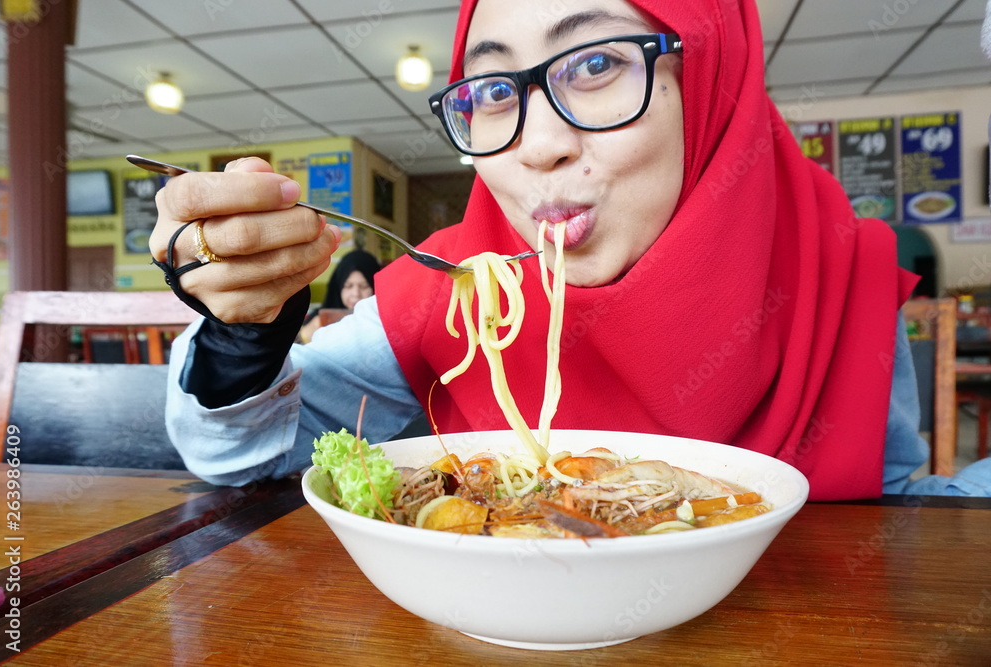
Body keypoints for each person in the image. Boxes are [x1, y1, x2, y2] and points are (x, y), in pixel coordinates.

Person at [149, 0, 990, 499]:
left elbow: (897, 511)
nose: (536, 144)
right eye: (490, 88)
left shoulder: (836, 272)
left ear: (710, 83)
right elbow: (239, 460)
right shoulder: (453, 283)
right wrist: (239, 337)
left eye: (594, 63)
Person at [299, 249, 380, 343]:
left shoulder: (381, 322)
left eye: (364, 286)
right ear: (338, 287)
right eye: (348, 286)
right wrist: (306, 334)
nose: (356, 293)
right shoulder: (320, 320)